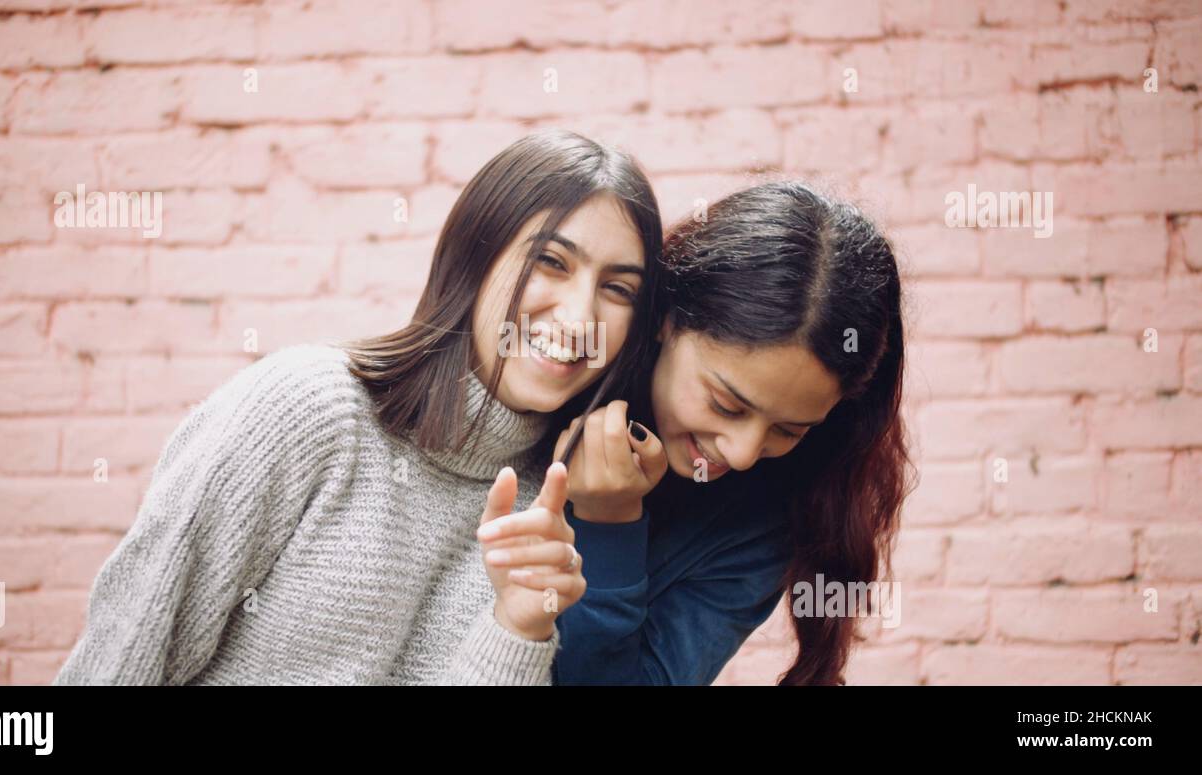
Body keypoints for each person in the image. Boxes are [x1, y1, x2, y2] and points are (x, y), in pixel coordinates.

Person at [52, 129, 664, 685]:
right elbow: (123, 659)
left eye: (617, 289)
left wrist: (518, 626)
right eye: (550, 262)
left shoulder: (556, 509)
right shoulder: (304, 408)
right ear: (474, 258)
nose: (580, 319)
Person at [485, 181, 911, 685]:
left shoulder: (762, 524)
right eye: (726, 404)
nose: (745, 453)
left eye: (789, 429)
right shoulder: (557, 370)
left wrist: (609, 524)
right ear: (667, 318)